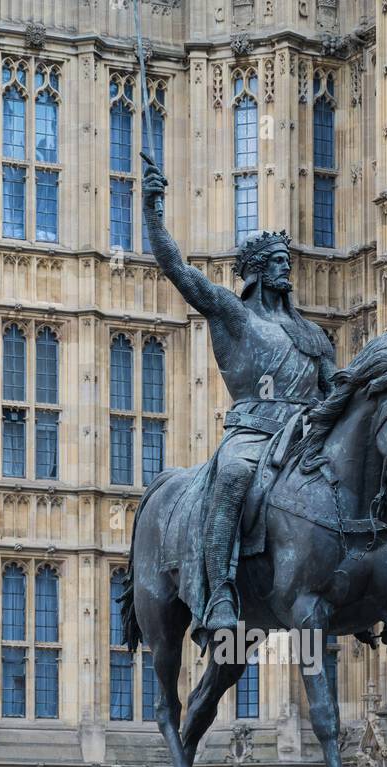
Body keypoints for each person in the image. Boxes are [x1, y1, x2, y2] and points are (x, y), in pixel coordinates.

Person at [141, 156, 336, 634]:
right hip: (253, 434)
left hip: (306, 437)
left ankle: (384, 585)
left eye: (286, 261)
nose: (284, 267)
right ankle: (222, 593)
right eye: (275, 262)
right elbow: (180, 271)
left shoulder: (312, 334)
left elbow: (339, 390)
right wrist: (152, 214)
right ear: (254, 271)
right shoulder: (235, 315)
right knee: (229, 477)